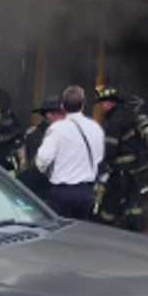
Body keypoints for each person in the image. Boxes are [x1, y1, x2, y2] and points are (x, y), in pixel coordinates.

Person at [94, 85, 148, 231]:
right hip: (136, 167)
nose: (102, 106)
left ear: (111, 102)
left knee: (111, 201)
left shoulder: (114, 122)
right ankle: (134, 227)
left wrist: (102, 164)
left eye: (103, 102)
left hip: (121, 169)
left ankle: (102, 229)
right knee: (133, 199)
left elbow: (110, 149)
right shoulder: (129, 115)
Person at [35, 85, 105, 219]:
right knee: (83, 233)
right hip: (87, 192)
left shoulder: (57, 129)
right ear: (83, 105)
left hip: (62, 193)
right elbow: (98, 158)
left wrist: (46, 171)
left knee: (61, 233)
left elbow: (42, 159)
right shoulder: (95, 128)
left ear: (62, 106)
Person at [17, 96, 64, 197]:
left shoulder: (33, 132)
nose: (64, 116)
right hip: (45, 189)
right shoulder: (40, 135)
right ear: (49, 115)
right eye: (60, 113)